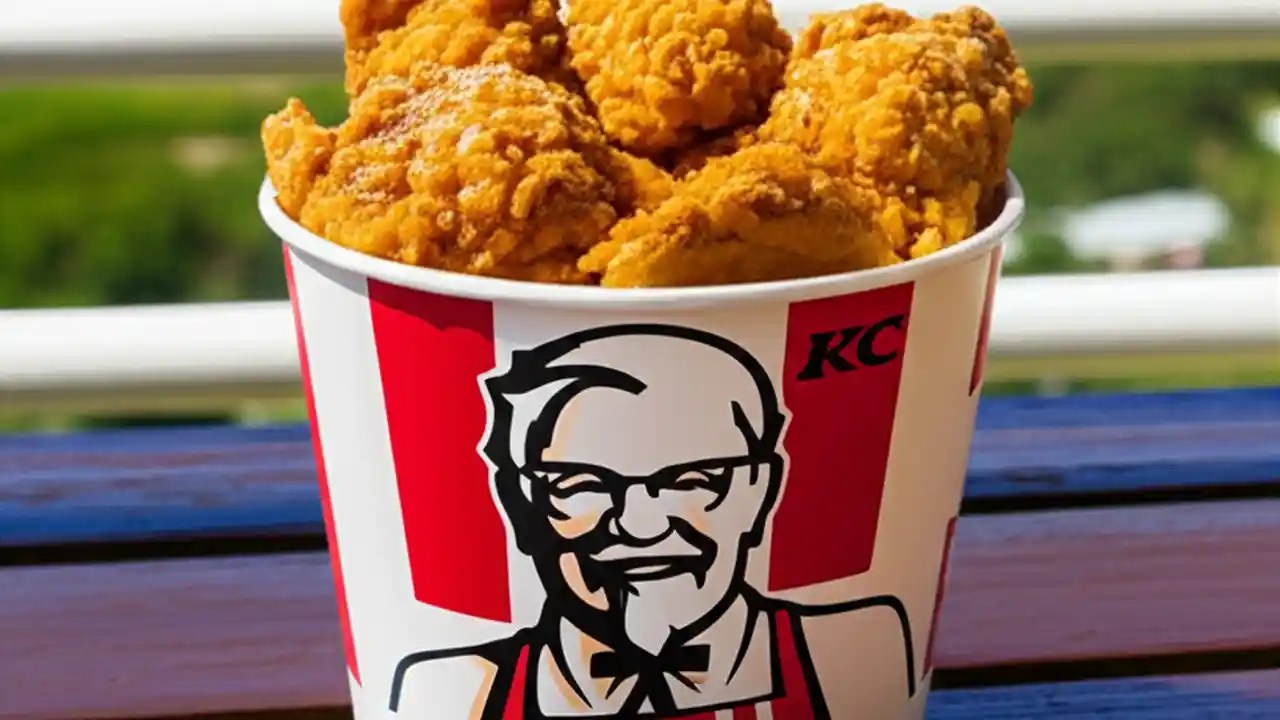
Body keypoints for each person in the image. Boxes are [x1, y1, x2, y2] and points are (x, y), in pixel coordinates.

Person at [390, 325, 915, 719]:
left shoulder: (850, 648)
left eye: (694, 480)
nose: (640, 526)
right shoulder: (453, 687)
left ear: (761, 491)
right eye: (581, 486)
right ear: (519, 504)